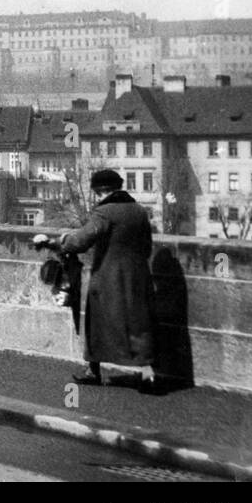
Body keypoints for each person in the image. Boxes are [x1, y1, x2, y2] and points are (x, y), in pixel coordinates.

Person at [58, 168, 160, 394]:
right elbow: (146, 247)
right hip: (137, 277)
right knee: (138, 324)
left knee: (96, 322)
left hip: (108, 278)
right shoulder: (139, 211)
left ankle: (93, 371)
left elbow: (81, 241)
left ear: (98, 191)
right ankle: (147, 375)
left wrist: (64, 241)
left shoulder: (104, 212)